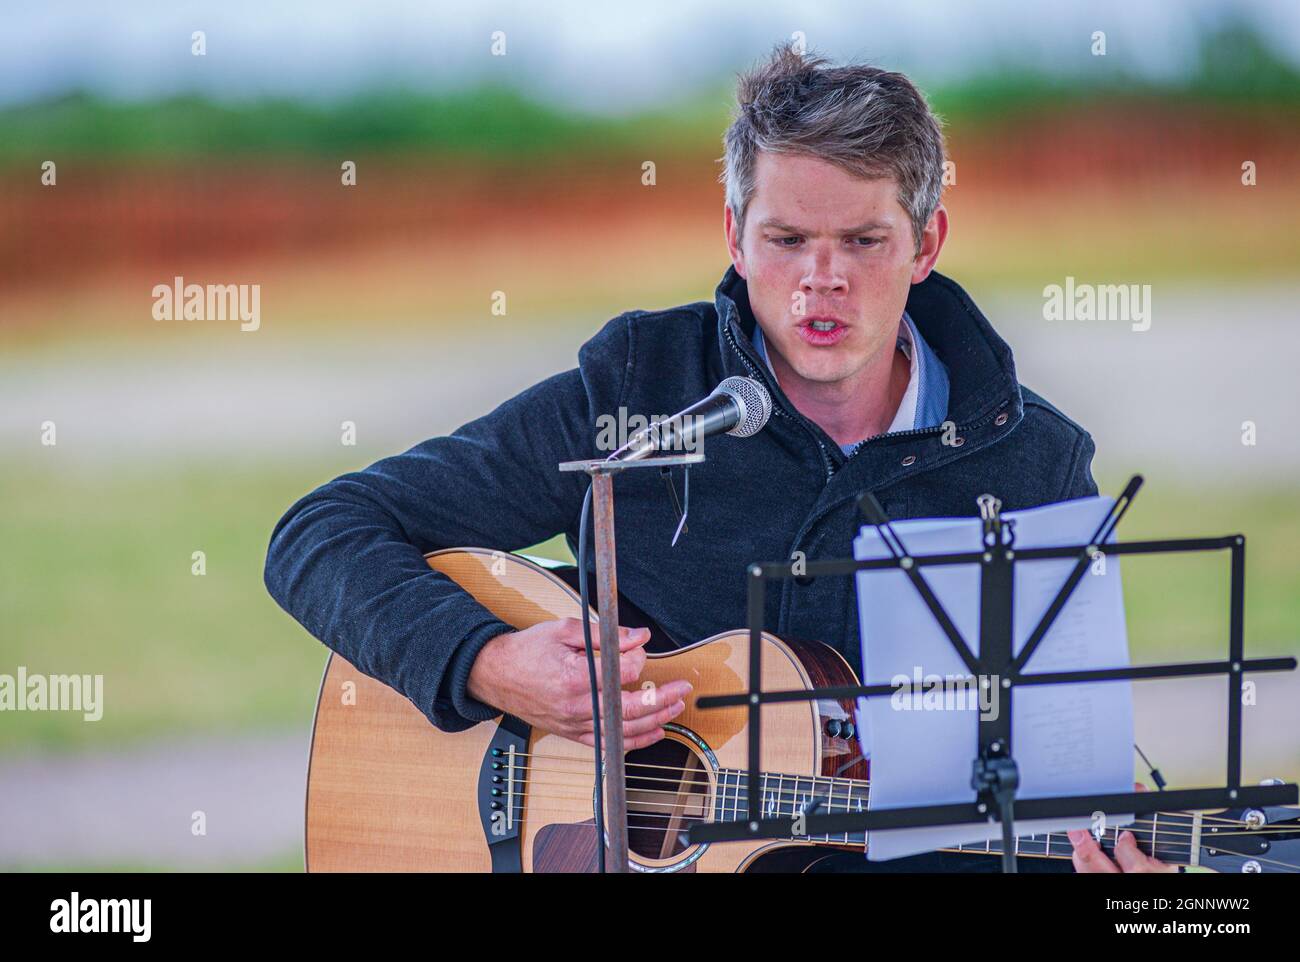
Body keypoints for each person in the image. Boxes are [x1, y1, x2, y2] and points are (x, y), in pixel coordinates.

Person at [265, 41, 1167, 873]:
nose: (824, 279)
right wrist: (488, 664)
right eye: (786, 241)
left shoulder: (1032, 466)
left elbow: (1060, 773)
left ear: (926, 243)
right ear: (734, 237)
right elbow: (320, 532)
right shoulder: (642, 387)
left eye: (863, 241)